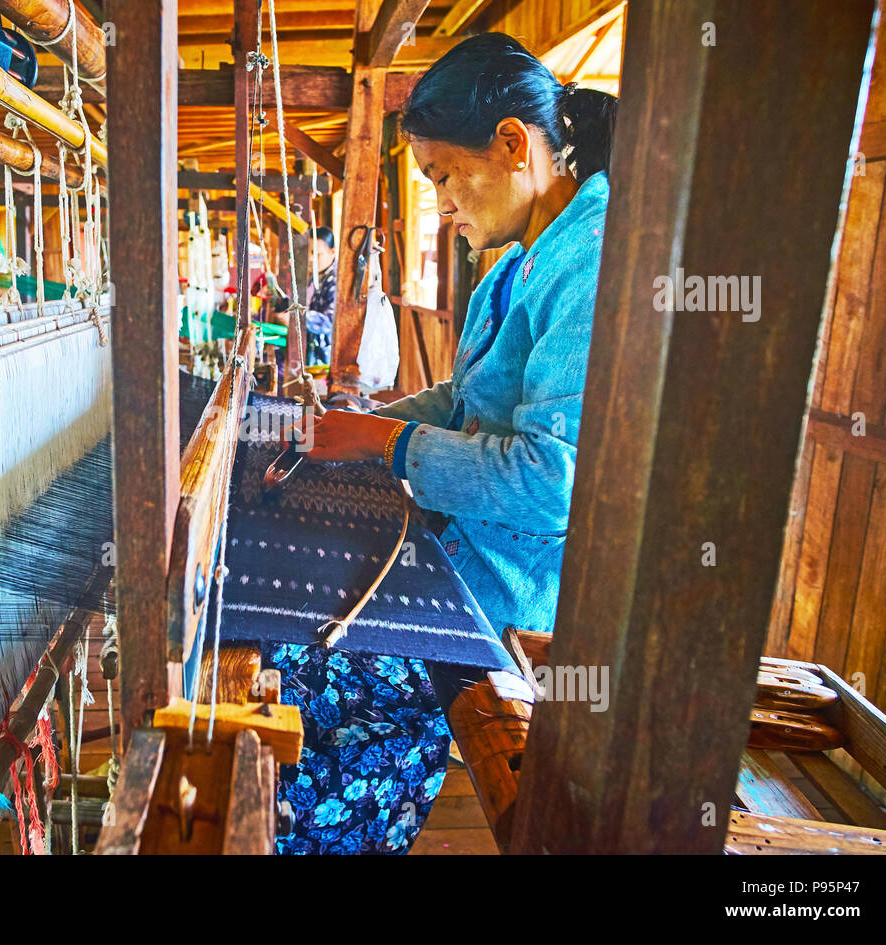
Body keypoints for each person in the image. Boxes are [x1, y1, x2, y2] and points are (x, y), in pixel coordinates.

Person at [267, 32, 617, 854]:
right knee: (292, 647)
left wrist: (384, 445)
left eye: (443, 178)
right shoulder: (518, 261)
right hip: (465, 557)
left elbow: (553, 479)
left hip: (514, 600)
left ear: (511, 145)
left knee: (308, 677)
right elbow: (463, 401)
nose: (442, 204)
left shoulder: (594, 263)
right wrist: (360, 422)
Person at [305, 226, 337, 364]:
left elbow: (329, 322)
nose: (312, 259)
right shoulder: (315, 277)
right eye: (309, 253)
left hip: (326, 356)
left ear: (332, 252)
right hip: (313, 350)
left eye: (317, 254)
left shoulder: (335, 281)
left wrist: (298, 317)